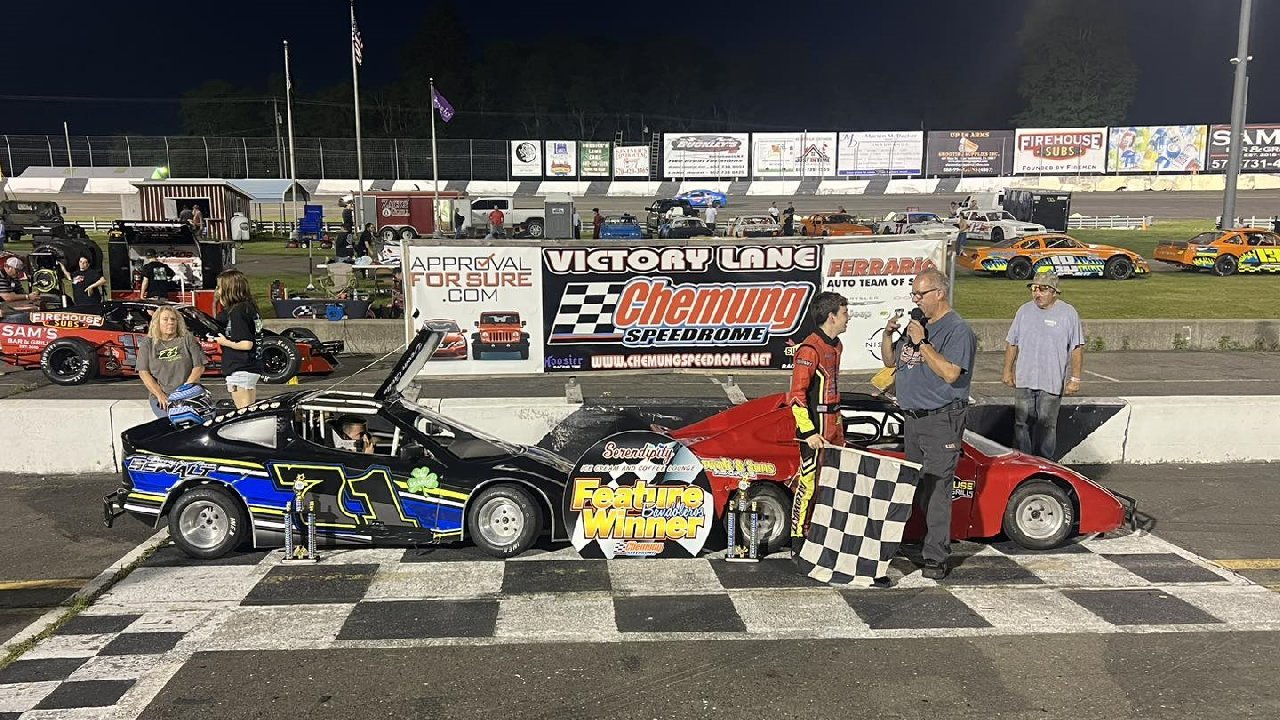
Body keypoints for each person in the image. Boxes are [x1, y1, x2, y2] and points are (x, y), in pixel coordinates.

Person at [882, 268, 976, 580]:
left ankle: (936, 557)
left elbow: (950, 374)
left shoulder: (957, 330)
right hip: (913, 418)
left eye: (920, 294)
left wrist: (923, 344)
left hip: (940, 418)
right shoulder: (917, 326)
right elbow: (890, 361)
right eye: (913, 294)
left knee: (937, 488)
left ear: (939, 293)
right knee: (917, 485)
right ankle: (920, 542)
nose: (916, 300)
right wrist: (888, 334)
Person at [788, 291, 849, 555]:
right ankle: (797, 538)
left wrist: (839, 422)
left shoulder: (837, 346)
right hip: (815, 427)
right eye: (845, 313)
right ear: (831, 316)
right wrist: (808, 431)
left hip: (834, 422)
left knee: (833, 480)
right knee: (809, 482)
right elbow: (796, 396)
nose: (849, 318)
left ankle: (823, 533)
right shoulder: (809, 349)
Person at [1002, 272, 1084, 459]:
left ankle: (1045, 463)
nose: (1037, 293)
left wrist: (1075, 378)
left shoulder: (1068, 314)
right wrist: (1007, 370)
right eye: (1034, 289)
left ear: (1054, 292)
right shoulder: (1023, 311)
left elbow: (1077, 347)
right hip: (1025, 380)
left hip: (1051, 382)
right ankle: (1023, 461)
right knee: (1021, 424)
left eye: (1042, 289)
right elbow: (1012, 343)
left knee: (1047, 425)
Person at [137, 305, 207, 418]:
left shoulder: (187, 338)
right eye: (165, 319)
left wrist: (184, 392)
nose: (170, 322)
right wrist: (159, 394)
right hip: (163, 397)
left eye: (173, 319)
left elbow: (199, 367)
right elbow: (143, 372)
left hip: (189, 394)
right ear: (157, 322)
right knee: (172, 421)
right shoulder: (148, 343)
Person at [213, 269, 263, 409]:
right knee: (248, 408)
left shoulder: (237, 312)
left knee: (243, 412)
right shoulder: (248, 308)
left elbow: (246, 344)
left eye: (219, 287)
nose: (217, 291)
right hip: (250, 367)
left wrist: (224, 342)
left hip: (240, 367)